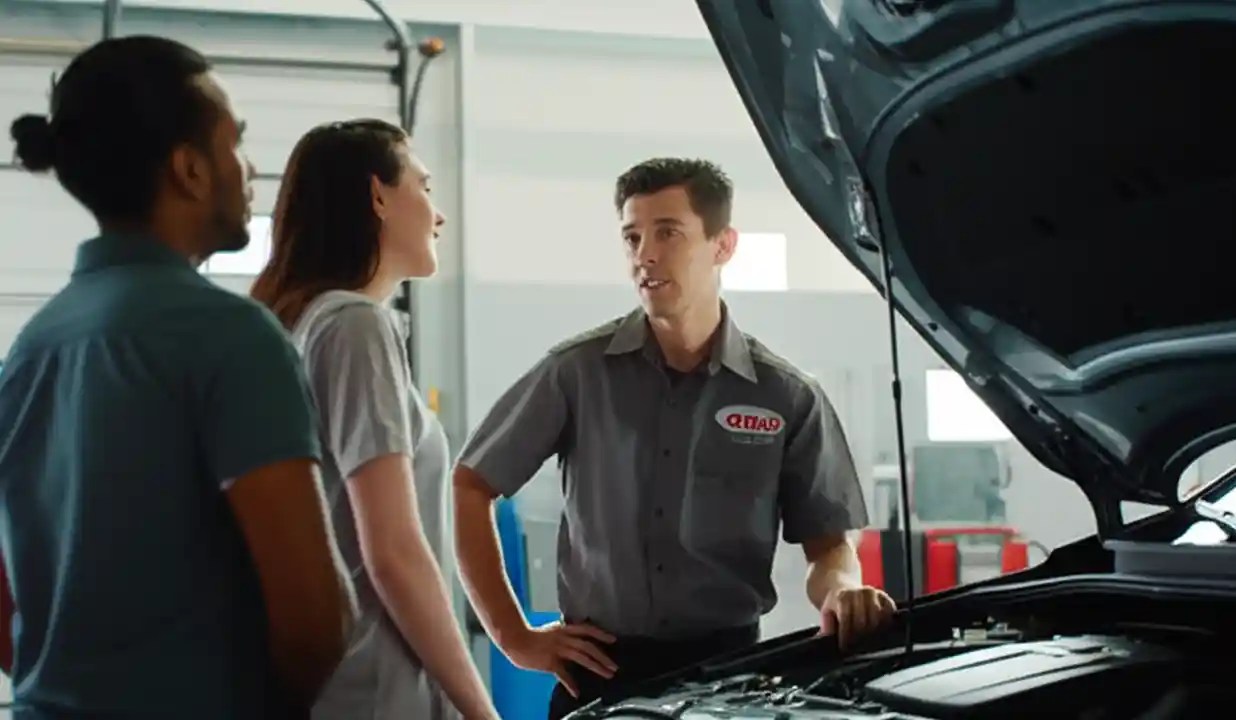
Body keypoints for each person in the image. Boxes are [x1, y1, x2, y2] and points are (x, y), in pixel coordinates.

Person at [454, 157, 899, 718]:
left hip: (729, 678)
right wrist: (513, 636)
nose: (645, 254)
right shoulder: (575, 373)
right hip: (599, 674)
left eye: (668, 232)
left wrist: (841, 591)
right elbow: (471, 482)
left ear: (723, 245)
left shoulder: (786, 396)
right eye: (632, 236)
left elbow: (829, 544)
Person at [0, 36, 356, 719]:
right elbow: (315, 621)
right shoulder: (230, 335)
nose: (249, 167)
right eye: (235, 143)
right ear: (189, 169)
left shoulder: (33, 345)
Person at [250, 119, 498, 720]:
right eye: (426, 186)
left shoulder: (300, 324)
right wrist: (480, 710)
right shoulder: (356, 327)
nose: (438, 215)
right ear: (378, 195)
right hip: (372, 690)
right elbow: (392, 551)